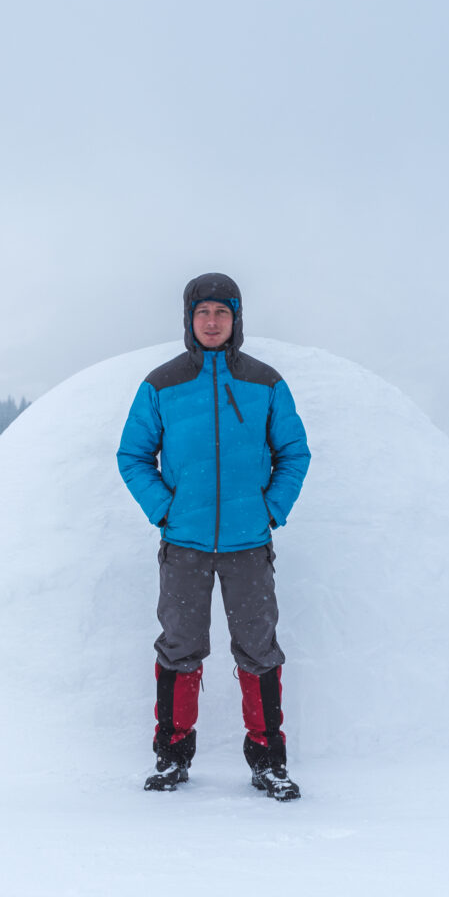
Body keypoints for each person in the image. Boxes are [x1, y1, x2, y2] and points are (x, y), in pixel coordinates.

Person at [116, 273, 311, 801]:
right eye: (202, 312)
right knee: (179, 648)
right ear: (189, 318)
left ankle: (268, 762)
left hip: (249, 545)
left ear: (236, 318)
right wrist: (165, 509)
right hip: (184, 545)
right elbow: (133, 455)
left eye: (222, 312)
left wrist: (271, 509)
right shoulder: (162, 384)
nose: (211, 321)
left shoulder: (266, 383)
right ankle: (172, 756)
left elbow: (294, 452)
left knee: (258, 650)